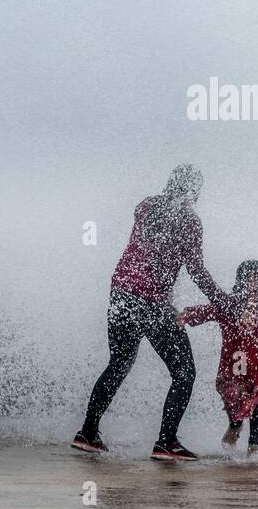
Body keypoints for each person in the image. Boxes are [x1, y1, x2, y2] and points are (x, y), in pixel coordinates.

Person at [73, 164, 229, 461]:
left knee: (119, 362)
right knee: (184, 372)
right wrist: (223, 301)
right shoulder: (189, 221)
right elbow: (195, 270)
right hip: (151, 302)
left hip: (120, 293)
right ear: (195, 191)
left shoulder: (146, 206)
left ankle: (87, 433)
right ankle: (166, 442)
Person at [176, 260, 258, 456]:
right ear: (240, 282)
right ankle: (235, 426)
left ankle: (255, 451)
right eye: (250, 279)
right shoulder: (229, 306)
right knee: (235, 409)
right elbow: (205, 312)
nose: (255, 283)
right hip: (233, 370)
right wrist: (184, 316)